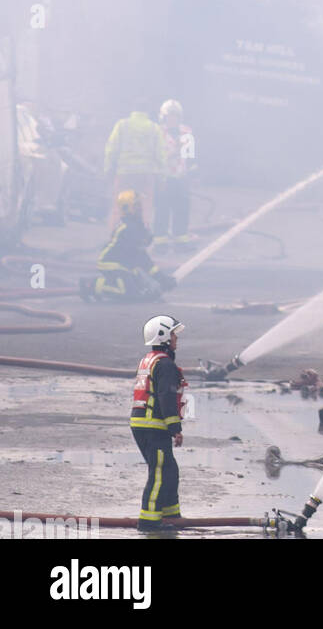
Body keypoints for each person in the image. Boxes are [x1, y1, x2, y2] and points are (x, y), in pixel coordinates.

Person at [131, 314, 187, 531]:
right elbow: (165, 397)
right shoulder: (164, 365)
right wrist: (176, 429)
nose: (176, 339)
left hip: (144, 424)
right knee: (160, 471)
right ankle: (149, 521)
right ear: (163, 335)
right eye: (173, 334)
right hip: (153, 427)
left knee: (169, 469)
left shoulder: (150, 359)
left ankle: (171, 516)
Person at [80, 191, 173, 301]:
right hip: (111, 263)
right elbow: (141, 257)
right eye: (136, 206)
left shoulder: (136, 225)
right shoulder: (128, 229)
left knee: (140, 290)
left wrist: (160, 278)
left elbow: (140, 255)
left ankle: (115, 284)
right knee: (129, 293)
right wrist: (160, 278)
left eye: (140, 205)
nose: (140, 209)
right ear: (126, 208)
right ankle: (90, 285)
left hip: (126, 264)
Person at [104, 102, 167, 226]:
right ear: (147, 112)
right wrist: (162, 177)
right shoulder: (154, 128)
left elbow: (111, 150)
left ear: (132, 110)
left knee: (119, 206)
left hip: (124, 174)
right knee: (145, 208)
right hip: (145, 175)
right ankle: (142, 238)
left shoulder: (122, 125)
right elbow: (160, 155)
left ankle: (114, 236)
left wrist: (108, 170)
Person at [155, 99, 196, 244]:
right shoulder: (157, 132)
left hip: (180, 178)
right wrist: (174, 152)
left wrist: (190, 176)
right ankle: (160, 242)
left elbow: (190, 157)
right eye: (170, 116)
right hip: (164, 178)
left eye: (175, 116)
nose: (172, 119)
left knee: (182, 209)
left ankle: (181, 240)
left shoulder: (186, 131)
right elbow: (156, 157)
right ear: (163, 117)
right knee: (162, 210)